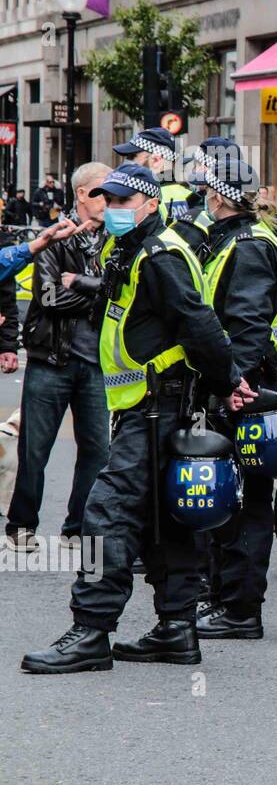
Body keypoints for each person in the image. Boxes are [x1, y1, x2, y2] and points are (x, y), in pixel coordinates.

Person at [20, 163, 253, 674]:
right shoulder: (126, 248)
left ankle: (92, 631)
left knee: (105, 515)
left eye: (125, 201)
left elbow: (200, 324)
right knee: (163, 521)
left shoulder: (162, 254)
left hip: (159, 406)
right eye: (109, 200)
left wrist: (228, 382)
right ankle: (176, 629)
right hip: (143, 407)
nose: (114, 208)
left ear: (150, 205)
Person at [193, 146, 277, 641]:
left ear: (223, 196)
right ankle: (222, 598)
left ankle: (240, 610)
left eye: (210, 189)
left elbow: (249, 327)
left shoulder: (249, 245)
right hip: (239, 384)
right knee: (229, 495)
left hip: (249, 389)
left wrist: (235, 384)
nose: (205, 197)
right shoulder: (234, 239)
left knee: (246, 500)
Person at [4, 162, 111, 554]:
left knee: (98, 450)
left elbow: (118, 293)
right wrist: (98, 294)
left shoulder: (116, 239)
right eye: (101, 191)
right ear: (81, 193)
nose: (108, 200)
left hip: (99, 362)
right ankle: (21, 525)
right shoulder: (58, 237)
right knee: (35, 447)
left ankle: (78, 527)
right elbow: (47, 297)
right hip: (52, 357)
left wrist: (84, 286)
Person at [113, 128, 190, 223]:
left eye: (132, 156)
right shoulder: (192, 197)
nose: (126, 162)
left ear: (156, 160)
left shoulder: (142, 202)